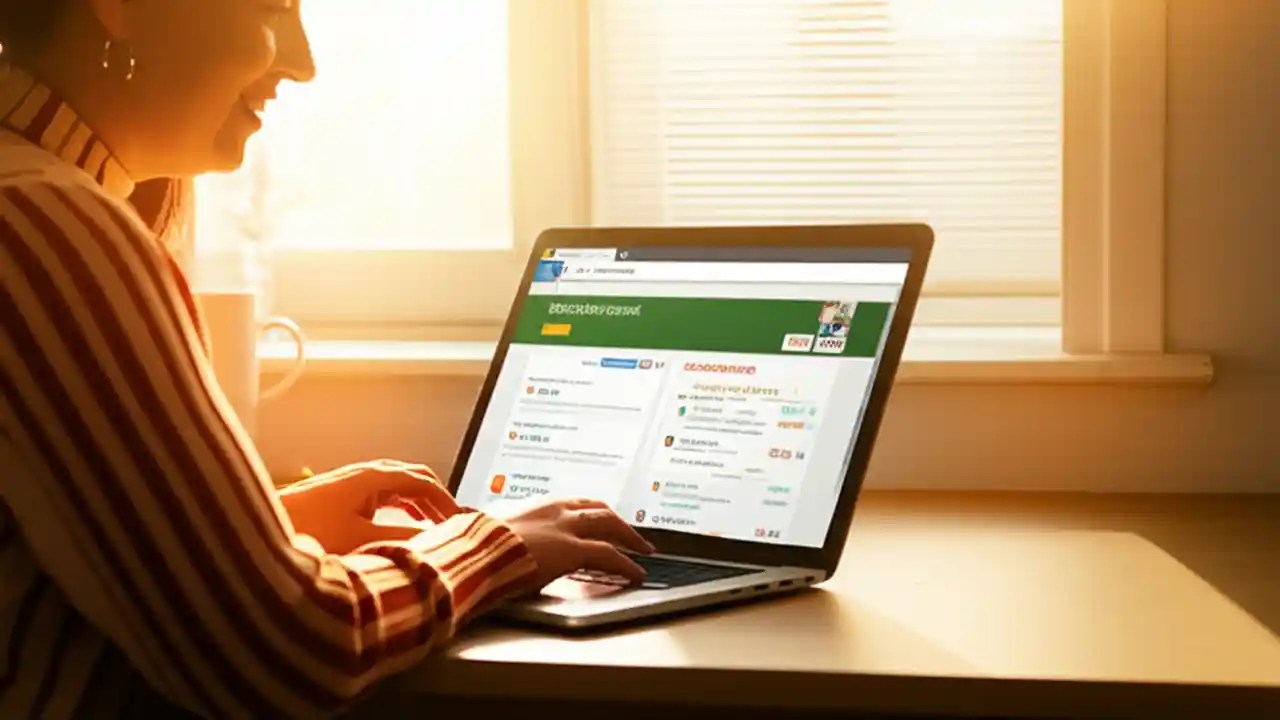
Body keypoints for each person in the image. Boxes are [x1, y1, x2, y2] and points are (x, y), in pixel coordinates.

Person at [0, 2, 651, 718]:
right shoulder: (46, 224)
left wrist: (268, 526)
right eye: (274, 6)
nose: (302, 63)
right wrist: (494, 543)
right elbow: (284, 649)